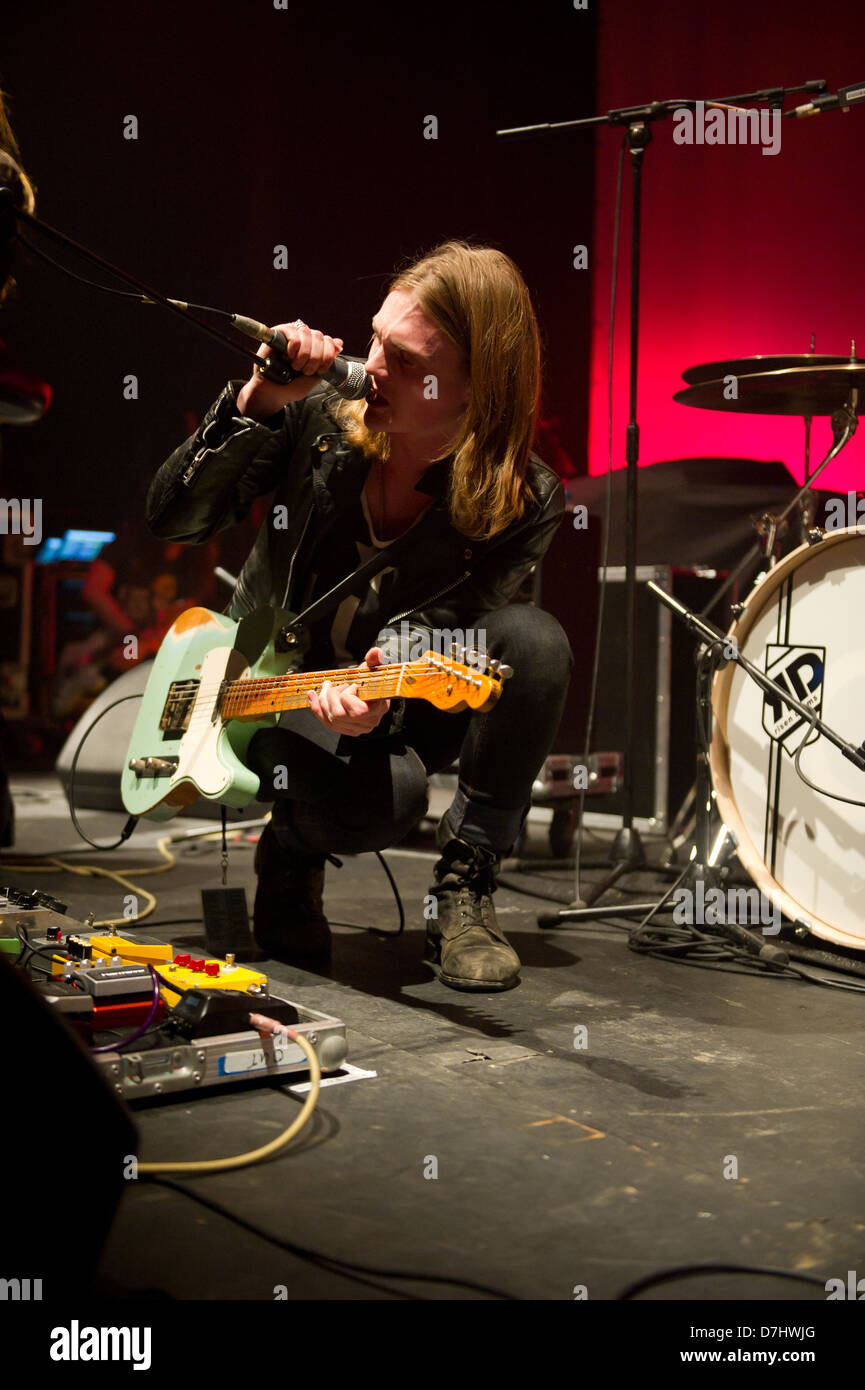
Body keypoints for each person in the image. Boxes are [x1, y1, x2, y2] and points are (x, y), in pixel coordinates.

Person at [146, 241, 574, 991]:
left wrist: (377, 683)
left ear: (476, 389)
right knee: (388, 804)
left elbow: (457, 617)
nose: (371, 364)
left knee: (536, 645)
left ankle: (466, 884)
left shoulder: (526, 498)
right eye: (376, 338)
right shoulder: (315, 415)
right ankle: (291, 850)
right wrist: (257, 400)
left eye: (405, 361)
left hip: (394, 694)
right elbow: (174, 519)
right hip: (267, 686)